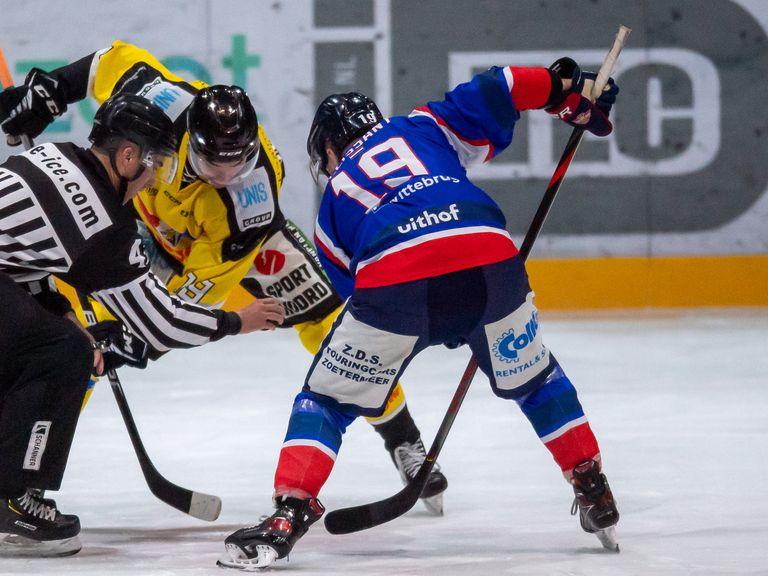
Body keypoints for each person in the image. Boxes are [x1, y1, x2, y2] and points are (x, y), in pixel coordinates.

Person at [0, 40, 449, 516]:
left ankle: (403, 439)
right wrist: (53, 90)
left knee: (334, 332)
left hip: (242, 250)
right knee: (79, 346)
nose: (227, 173)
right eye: (215, 164)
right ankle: (20, 479)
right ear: (190, 139)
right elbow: (109, 61)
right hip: (147, 232)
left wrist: (134, 340)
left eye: (239, 162)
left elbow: (185, 303)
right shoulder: (161, 102)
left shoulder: (248, 204)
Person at [217, 57, 622, 570]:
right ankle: (591, 482)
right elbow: (502, 85)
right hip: (488, 257)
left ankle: (289, 513)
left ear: (327, 148)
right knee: (537, 380)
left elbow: (353, 292)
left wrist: (394, 346)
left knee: (327, 399)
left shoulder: (336, 195)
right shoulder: (422, 128)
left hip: (396, 278)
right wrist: (566, 91)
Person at [0, 93, 284, 557]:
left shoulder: (54, 154)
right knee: (63, 352)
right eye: (155, 163)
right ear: (127, 157)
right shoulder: (106, 224)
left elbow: (18, 255)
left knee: (26, 355)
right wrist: (234, 321)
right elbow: (159, 324)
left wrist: (62, 313)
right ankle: (9, 500)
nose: (154, 178)